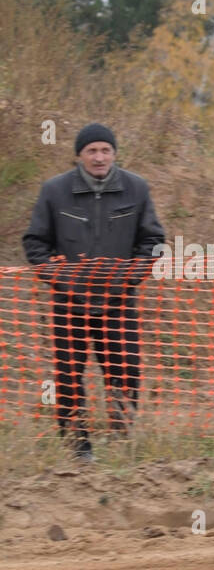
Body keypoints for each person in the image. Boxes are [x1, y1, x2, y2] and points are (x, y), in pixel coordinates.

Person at [22, 122, 165, 461]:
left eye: (105, 150)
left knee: (125, 369)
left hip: (118, 302)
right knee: (69, 373)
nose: (99, 157)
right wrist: (64, 280)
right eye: (92, 151)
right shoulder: (54, 191)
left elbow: (153, 241)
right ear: (79, 155)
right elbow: (35, 243)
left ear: (115, 154)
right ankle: (77, 444)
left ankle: (122, 439)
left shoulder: (136, 189)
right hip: (69, 303)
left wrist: (129, 277)